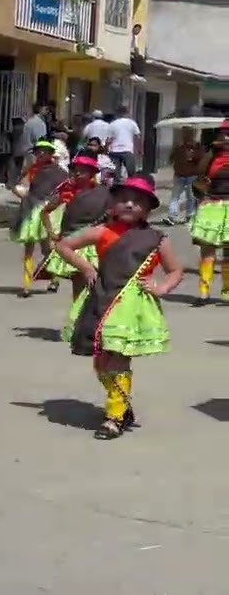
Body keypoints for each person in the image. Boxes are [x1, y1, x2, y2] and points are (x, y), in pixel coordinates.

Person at [56, 174, 182, 440]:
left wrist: (161, 287)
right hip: (102, 298)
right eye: (123, 199)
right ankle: (122, 405)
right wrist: (87, 267)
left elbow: (175, 270)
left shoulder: (157, 239)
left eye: (137, 202)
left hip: (131, 305)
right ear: (112, 204)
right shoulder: (102, 231)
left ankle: (113, 417)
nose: (129, 205)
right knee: (101, 362)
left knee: (118, 355)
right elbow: (64, 245)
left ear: (148, 210)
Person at [38, 155, 108, 300]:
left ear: (92, 173)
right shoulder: (66, 192)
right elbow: (45, 211)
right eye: (75, 170)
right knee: (79, 285)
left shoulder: (104, 193)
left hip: (96, 243)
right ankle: (79, 317)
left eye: (83, 170)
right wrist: (52, 234)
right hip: (73, 244)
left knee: (99, 284)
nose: (77, 173)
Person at [9, 141, 70, 297]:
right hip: (31, 210)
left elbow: (66, 191)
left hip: (50, 212)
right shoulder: (31, 170)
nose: (41, 154)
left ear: (51, 154)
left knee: (49, 248)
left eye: (44, 151)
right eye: (38, 152)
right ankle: (27, 285)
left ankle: (54, 278)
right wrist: (21, 193)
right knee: (28, 248)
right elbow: (19, 186)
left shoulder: (60, 172)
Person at [189, 119, 229, 306]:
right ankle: (203, 291)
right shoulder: (210, 155)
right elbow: (198, 180)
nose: (227, 136)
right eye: (224, 133)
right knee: (208, 251)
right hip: (212, 205)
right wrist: (201, 194)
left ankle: (227, 293)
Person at [165, 127, 205, 225]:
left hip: (190, 175)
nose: (187, 136)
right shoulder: (180, 147)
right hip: (181, 175)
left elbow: (200, 159)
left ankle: (188, 216)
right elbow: (171, 159)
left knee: (189, 197)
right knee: (177, 196)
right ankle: (173, 215)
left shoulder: (196, 147)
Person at [107, 106, 141, 182]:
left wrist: (106, 149)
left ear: (117, 114)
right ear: (127, 113)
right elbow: (137, 137)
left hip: (114, 150)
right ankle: (131, 186)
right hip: (127, 150)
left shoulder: (112, 124)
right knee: (131, 173)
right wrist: (139, 149)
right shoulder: (132, 123)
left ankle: (116, 187)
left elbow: (109, 139)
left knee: (115, 174)